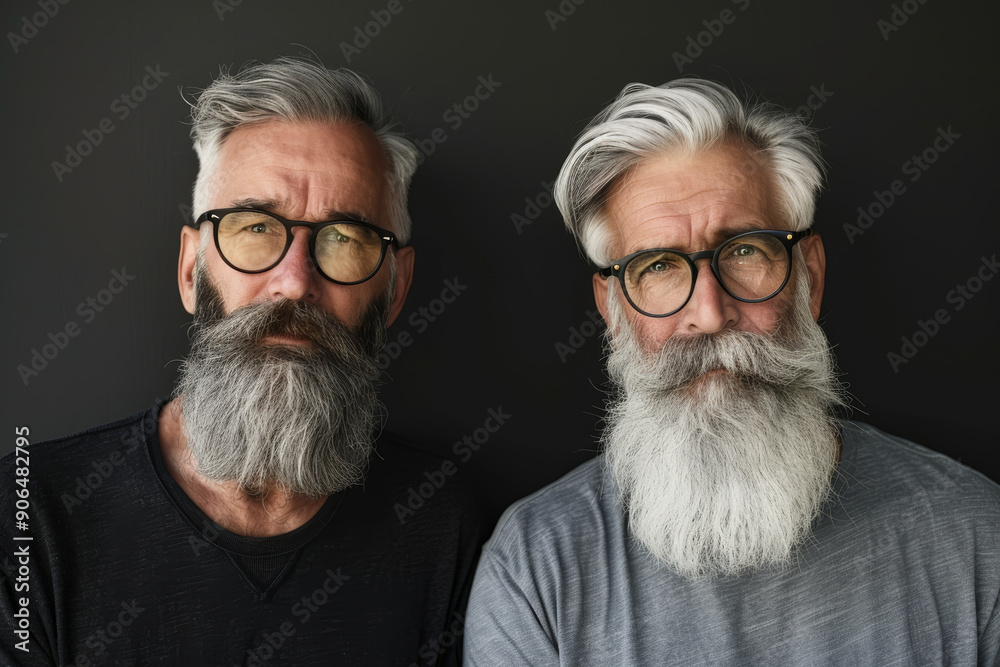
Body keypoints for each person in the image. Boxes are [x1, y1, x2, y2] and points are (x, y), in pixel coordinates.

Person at [463, 79, 1000, 665]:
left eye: (745, 250)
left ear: (809, 278)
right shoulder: (537, 569)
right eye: (659, 265)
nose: (710, 313)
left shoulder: (976, 540)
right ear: (612, 310)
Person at [1, 57, 480, 666]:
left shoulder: (440, 522)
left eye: (345, 239)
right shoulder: (27, 520)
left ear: (395, 288)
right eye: (255, 228)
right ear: (189, 268)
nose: (294, 282)